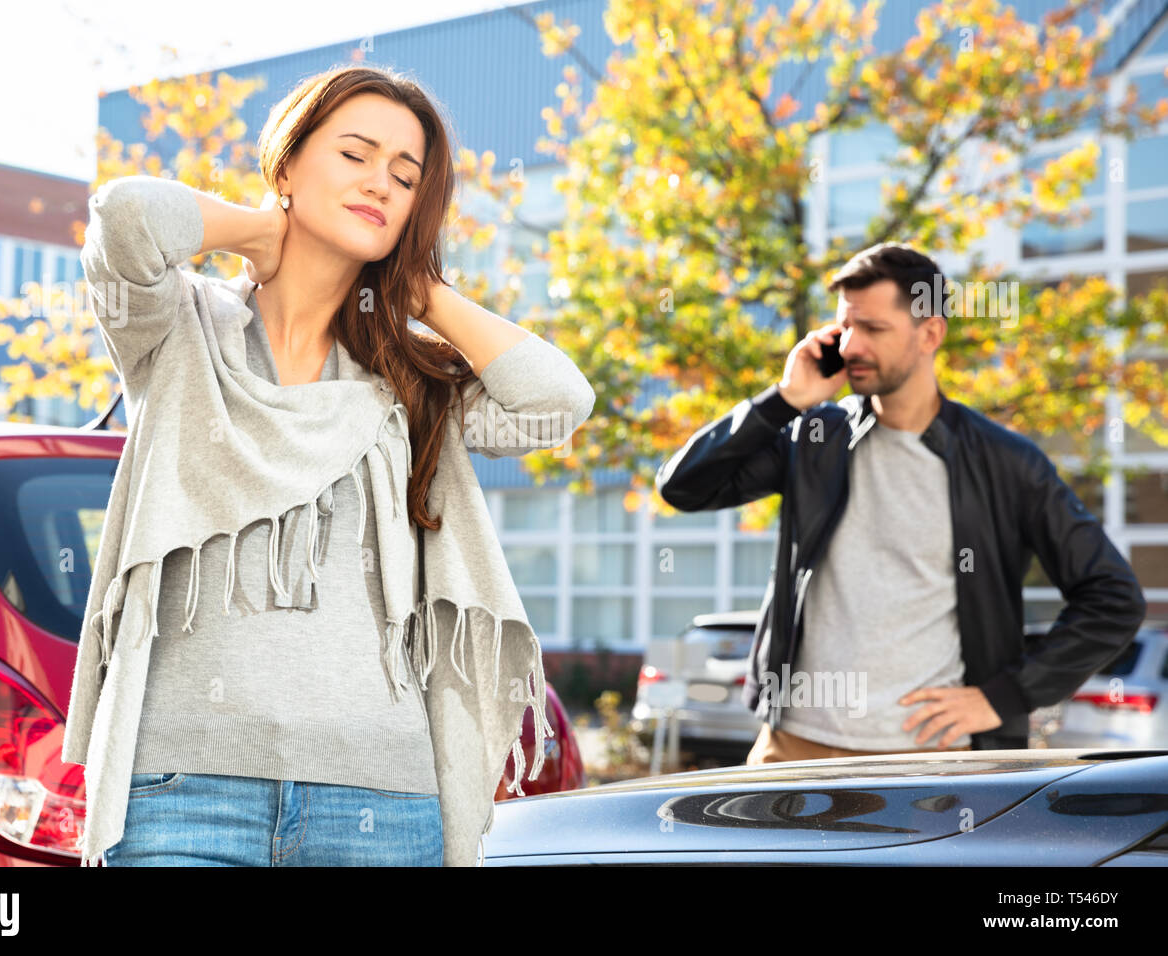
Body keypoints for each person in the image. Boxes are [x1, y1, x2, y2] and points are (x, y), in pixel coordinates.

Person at [61, 66, 595, 865]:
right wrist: (256, 230)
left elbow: (557, 400)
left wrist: (424, 292)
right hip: (185, 791)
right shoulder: (181, 329)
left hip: (380, 799)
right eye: (355, 153)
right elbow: (125, 217)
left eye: (405, 176)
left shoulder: (411, 380)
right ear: (288, 163)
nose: (380, 182)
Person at [655, 241, 1145, 764]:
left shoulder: (1005, 462)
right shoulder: (815, 435)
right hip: (793, 748)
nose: (850, 346)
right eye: (845, 327)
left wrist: (1002, 698)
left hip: (929, 765)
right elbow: (683, 487)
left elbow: (1114, 599)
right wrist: (784, 399)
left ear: (929, 333)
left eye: (873, 329)